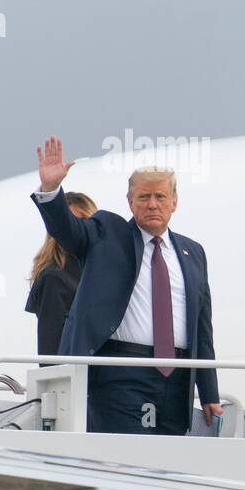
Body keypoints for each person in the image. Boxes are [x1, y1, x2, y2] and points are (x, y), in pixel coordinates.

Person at [30, 136, 224, 435]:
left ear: (174, 202)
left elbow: (202, 326)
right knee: (126, 459)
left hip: (177, 378)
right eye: (144, 197)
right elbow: (66, 230)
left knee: (168, 462)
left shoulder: (192, 252)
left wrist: (209, 392)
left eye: (160, 197)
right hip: (122, 373)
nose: (152, 204)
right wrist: (51, 190)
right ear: (130, 202)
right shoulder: (108, 234)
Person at [25, 191, 98, 360]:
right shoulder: (54, 278)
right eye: (72, 222)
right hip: (76, 380)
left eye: (85, 222)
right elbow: (51, 350)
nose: (78, 229)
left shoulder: (103, 274)